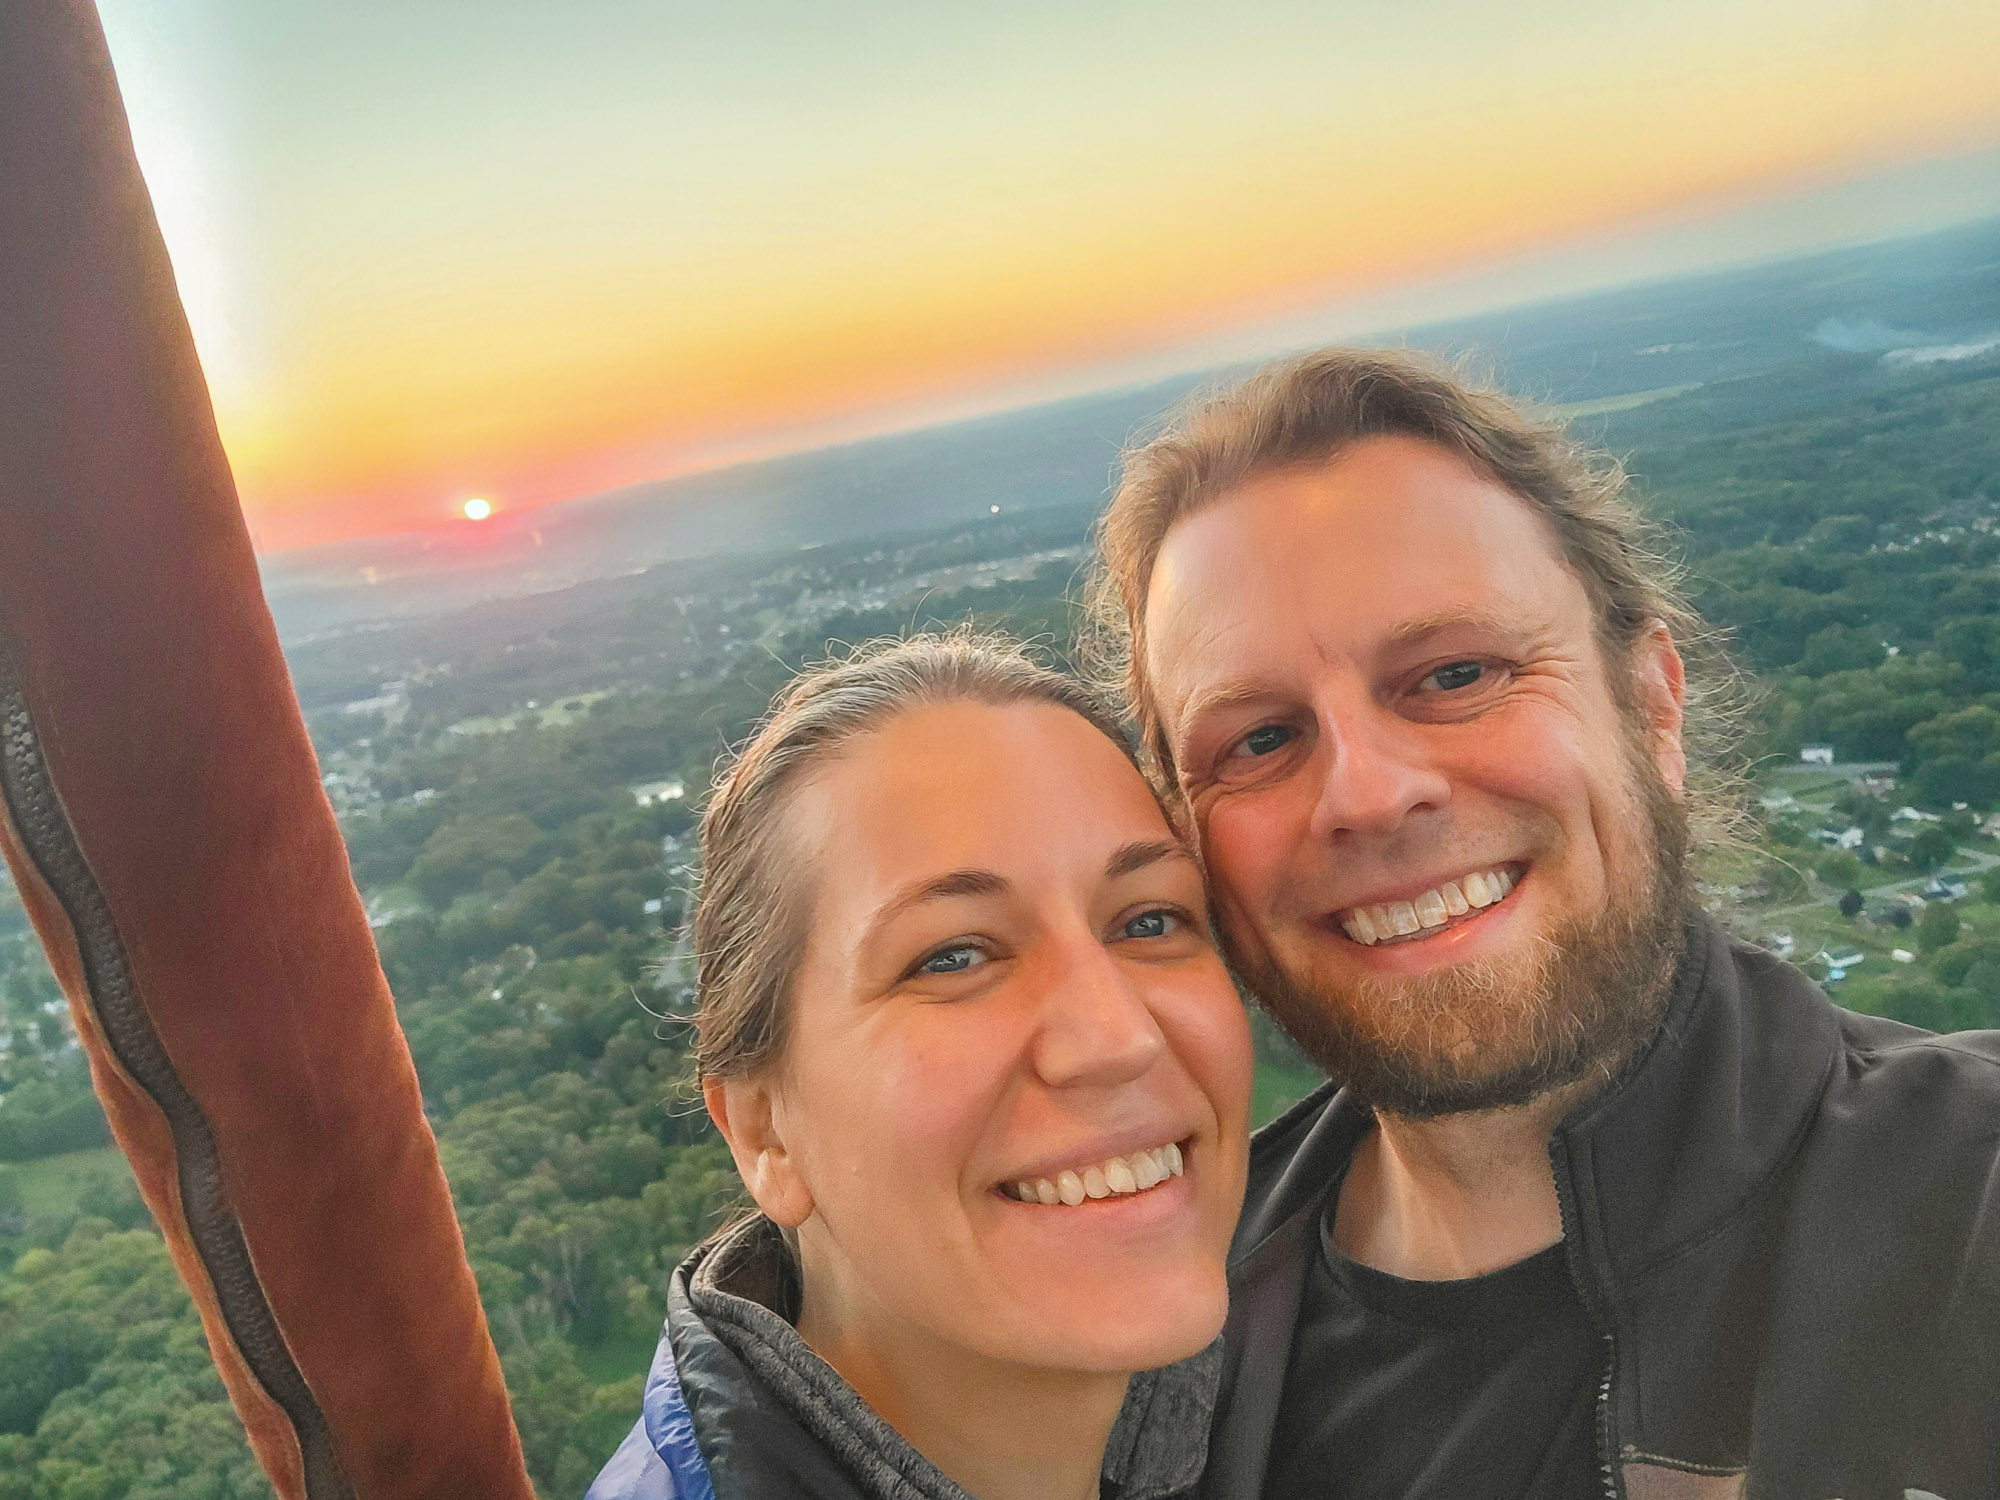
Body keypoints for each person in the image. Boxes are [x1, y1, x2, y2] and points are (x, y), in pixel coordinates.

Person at [1087, 348, 2000, 1499]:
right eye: (1257, 741)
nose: (1366, 794)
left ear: (1650, 703)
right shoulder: (1145, 1349)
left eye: (1454, 673)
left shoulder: (1965, 1211)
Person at [590, 632, 1254, 1500]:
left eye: (1149, 920)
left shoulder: (1281, 1404)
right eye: (952, 958)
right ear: (764, 1133)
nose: (1118, 1037)